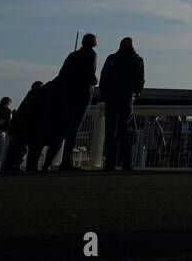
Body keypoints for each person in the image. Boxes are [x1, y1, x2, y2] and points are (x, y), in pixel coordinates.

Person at [53, 34, 98, 171]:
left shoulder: (72, 55)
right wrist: (95, 81)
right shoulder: (91, 54)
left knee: (64, 126)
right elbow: (91, 74)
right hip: (82, 94)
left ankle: (53, 158)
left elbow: (62, 74)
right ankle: (67, 160)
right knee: (74, 129)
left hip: (68, 94)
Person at [99, 37, 145, 171]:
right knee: (126, 131)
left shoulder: (112, 59)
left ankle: (110, 163)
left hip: (111, 98)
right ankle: (126, 163)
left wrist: (105, 94)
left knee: (110, 131)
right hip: (127, 98)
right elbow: (140, 81)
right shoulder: (138, 60)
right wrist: (135, 93)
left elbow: (104, 77)